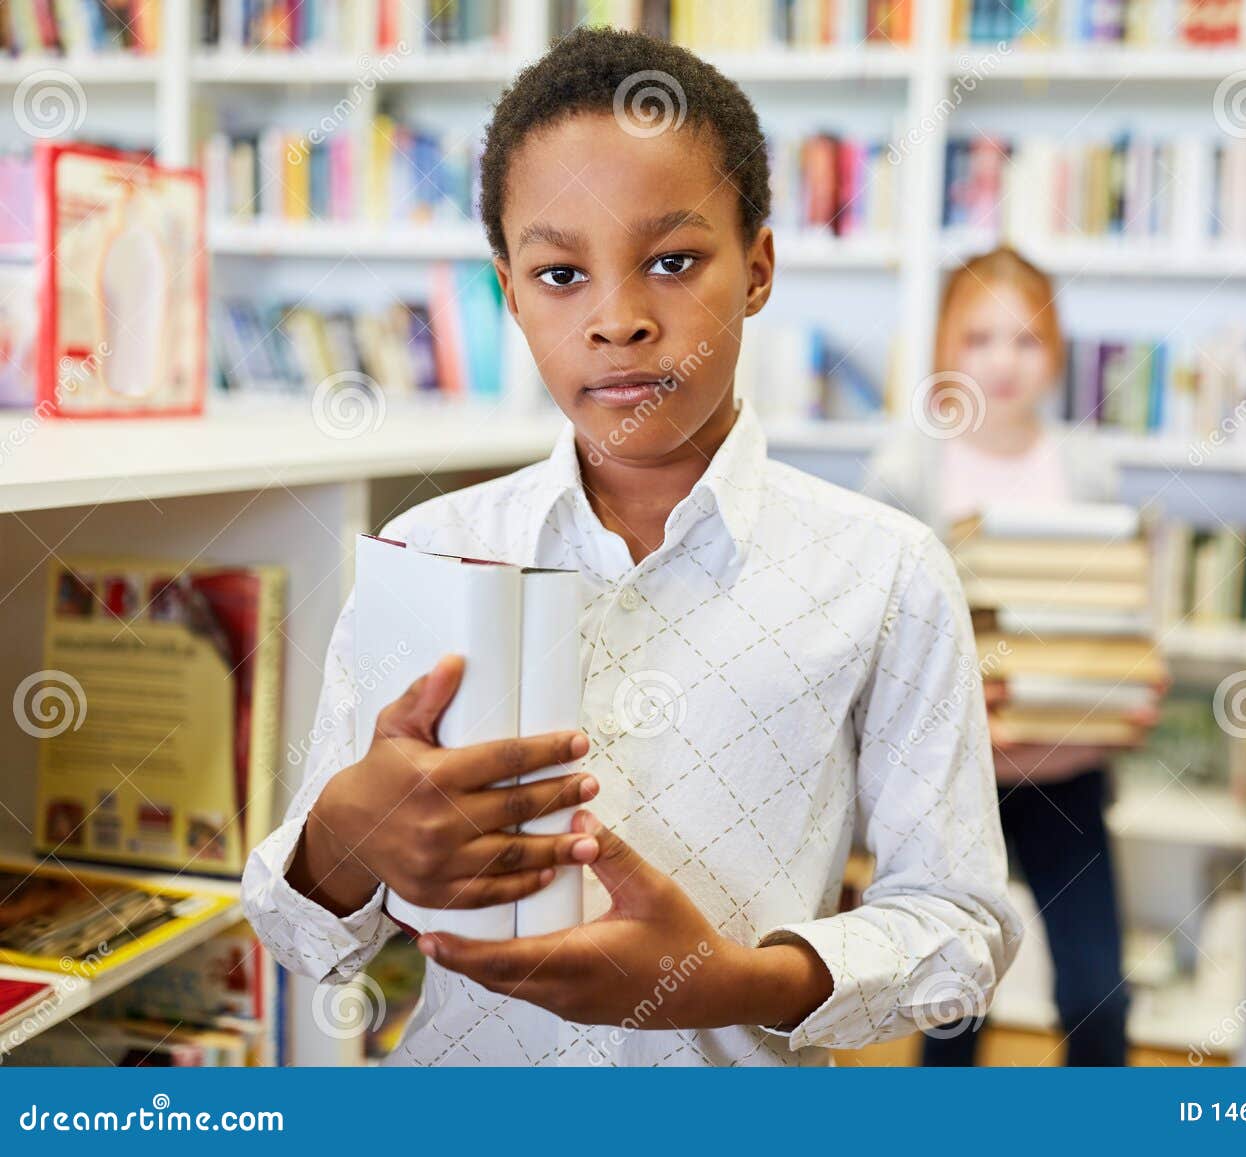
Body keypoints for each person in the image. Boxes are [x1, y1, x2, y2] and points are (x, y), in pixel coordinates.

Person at [241, 28, 1020, 1067]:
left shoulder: (885, 570)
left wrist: (730, 981)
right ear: (508, 293)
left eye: (670, 260)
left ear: (757, 267)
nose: (617, 319)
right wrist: (345, 835)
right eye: (561, 272)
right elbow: (300, 936)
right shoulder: (429, 552)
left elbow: (959, 923)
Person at [864, 245, 1150, 1066]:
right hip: (956, 782)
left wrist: (1132, 676)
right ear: (943, 349)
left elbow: (1116, 616)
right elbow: (880, 640)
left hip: (1069, 770)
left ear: (1056, 351)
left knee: (1099, 992)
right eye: (979, 337)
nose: (1002, 360)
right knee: (957, 1004)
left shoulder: (1089, 469)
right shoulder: (906, 469)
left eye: (1025, 339)